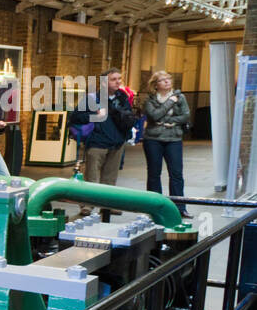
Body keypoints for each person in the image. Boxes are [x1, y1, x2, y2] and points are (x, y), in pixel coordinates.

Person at [70, 68, 135, 185]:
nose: (118, 82)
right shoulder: (92, 98)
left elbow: (129, 118)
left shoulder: (123, 98)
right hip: (97, 145)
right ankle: (89, 203)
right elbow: (75, 117)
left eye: (119, 79)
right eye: (113, 79)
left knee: (109, 182)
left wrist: (125, 135)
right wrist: (95, 114)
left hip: (116, 146)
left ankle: (104, 203)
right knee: (91, 181)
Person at [142, 70, 190, 207]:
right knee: (153, 173)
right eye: (163, 80)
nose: (167, 81)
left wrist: (166, 120)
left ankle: (179, 207)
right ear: (156, 85)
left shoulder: (180, 97)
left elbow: (185, 116)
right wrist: (170, 102)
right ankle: (154, 206)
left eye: (168, 79)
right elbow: (154, 116)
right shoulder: (150, 99)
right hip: (153, 139)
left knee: (176, 174)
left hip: (173, 138)